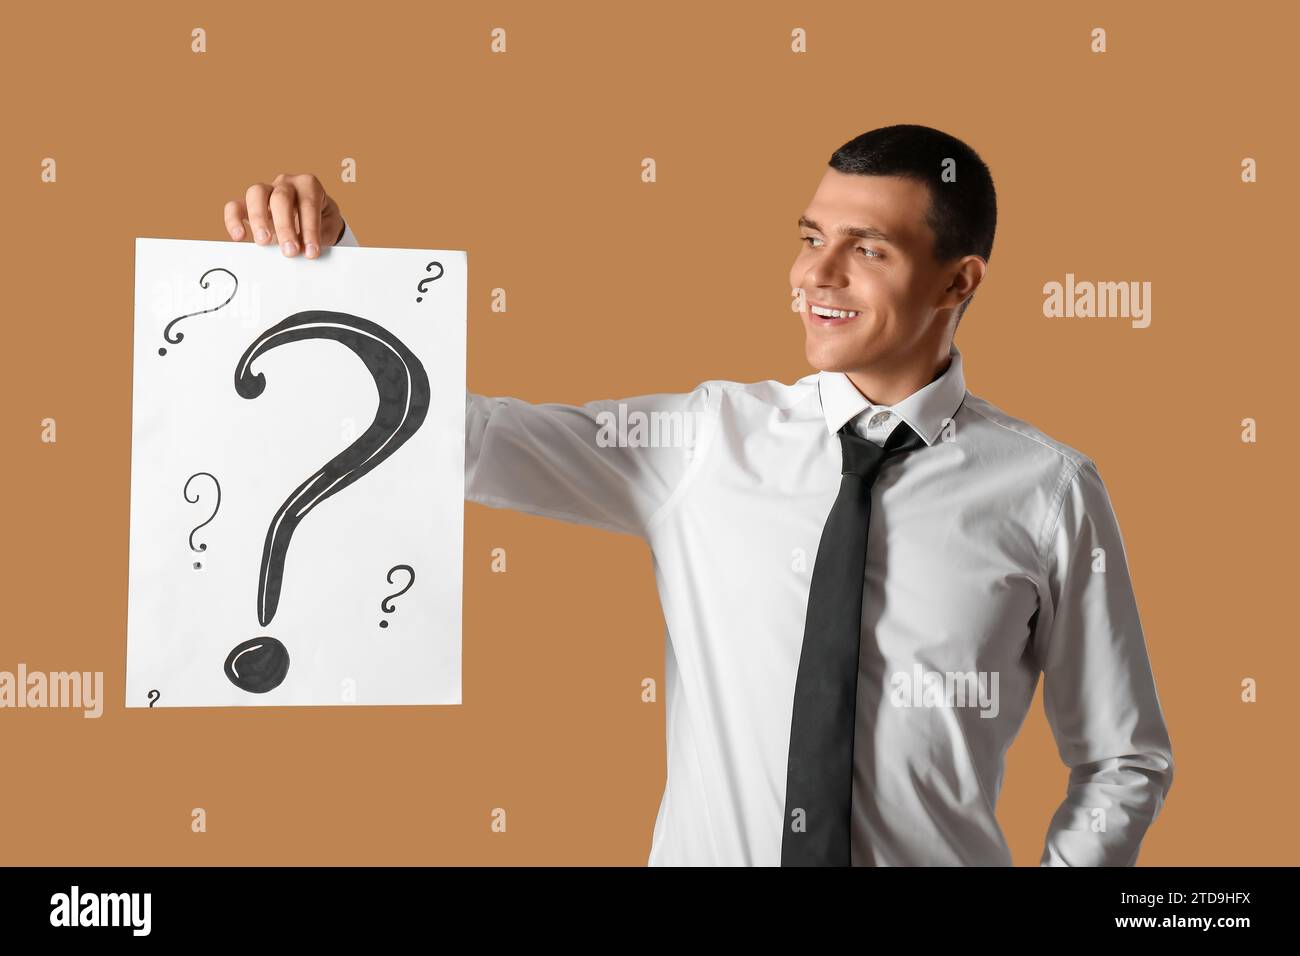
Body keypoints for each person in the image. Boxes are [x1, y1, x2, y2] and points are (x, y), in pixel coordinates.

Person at [221, 124, 1173, 866]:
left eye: (866, 249)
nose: (815, 276)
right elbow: (463, 442)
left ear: (959, 280)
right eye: (809, 239)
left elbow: (1122, 756)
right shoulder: (701, 444)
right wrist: (345, 271)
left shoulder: (1049, 492)